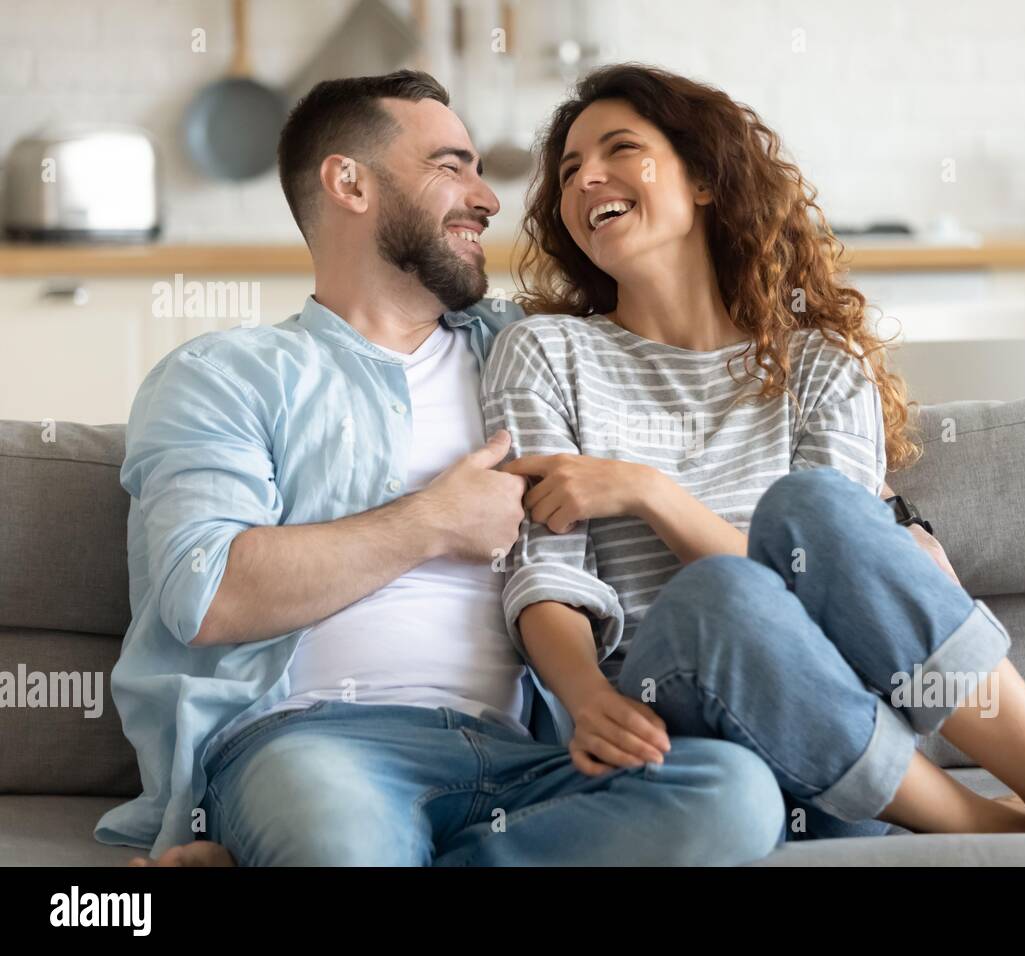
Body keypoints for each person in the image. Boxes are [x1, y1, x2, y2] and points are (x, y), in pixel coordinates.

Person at [481, 63, 1025, 837]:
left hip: (841, 721)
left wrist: (653, 493)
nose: (585, 179)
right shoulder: (545, 353)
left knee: (817, 509)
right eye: (570, 169)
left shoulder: (823, 365)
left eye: (620, 149)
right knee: (717, 596)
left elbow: (830, 583)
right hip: (675, 718)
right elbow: (545, 569)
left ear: (703, 178)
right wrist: (585, 698)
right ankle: (992, 820)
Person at [99, 70, 786, 867]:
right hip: (316, 746)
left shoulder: (536, 353)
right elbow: (206, 592)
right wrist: (431, 523)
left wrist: (896, 523)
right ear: (349, 182)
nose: (488, 199)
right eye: (451, 165)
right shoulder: (228, 374)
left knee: (732, 794)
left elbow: (718, 418)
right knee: (344, 843)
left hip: (525, 759)